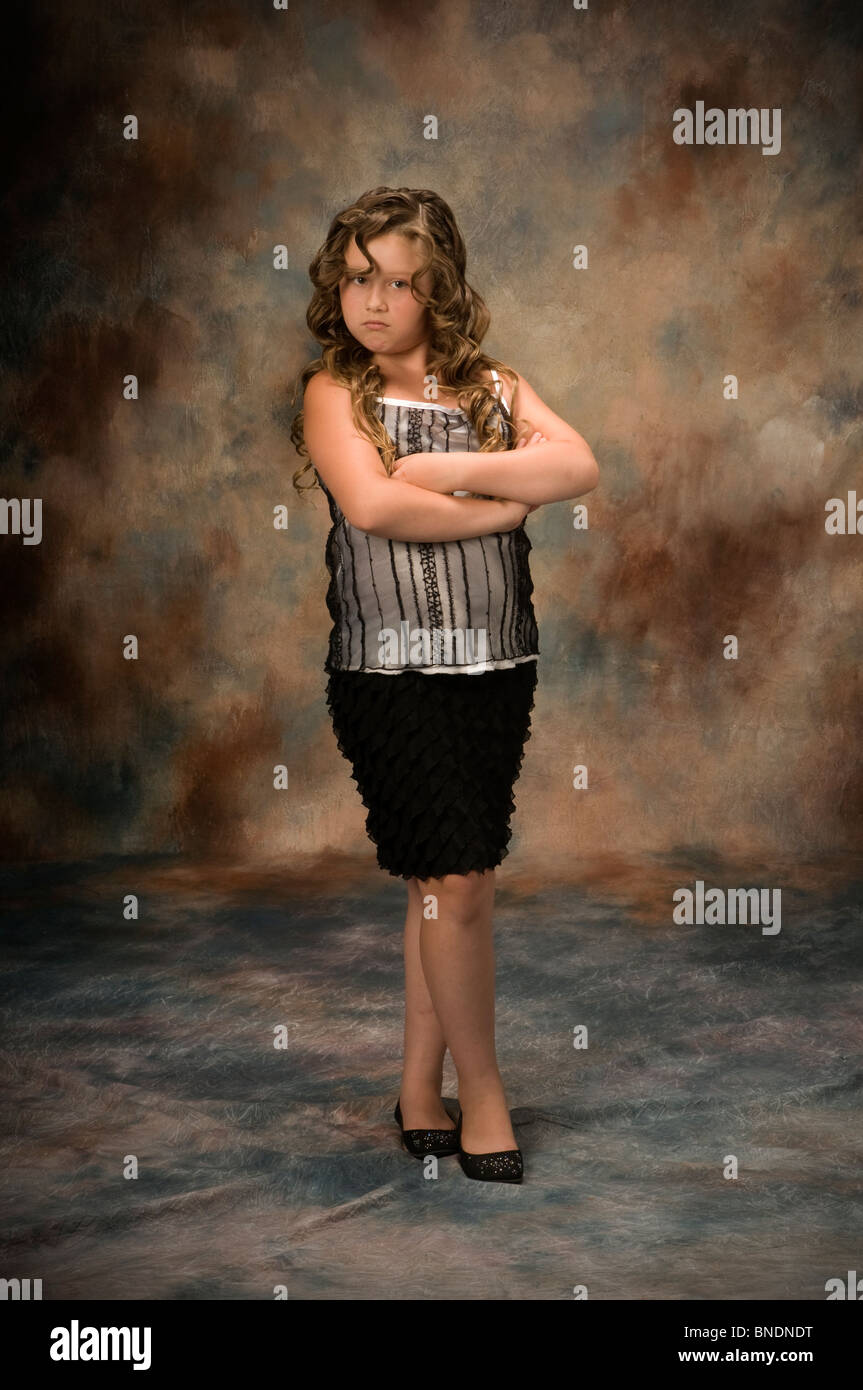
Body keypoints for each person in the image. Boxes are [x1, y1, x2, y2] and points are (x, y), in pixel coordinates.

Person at [290, 186, 599, 1183]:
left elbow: (577, 466)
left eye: (398, 282)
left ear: (438, 291)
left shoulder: (494, 386)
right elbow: (375, 505)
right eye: (357, 277)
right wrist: (485, 504)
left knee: (443, 881)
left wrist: (443, 474)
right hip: (387, 671)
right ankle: (486, 1092)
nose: (372, 301)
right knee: (458, 878)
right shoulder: (332, 392)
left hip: (496, 663)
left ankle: (417, 1085)